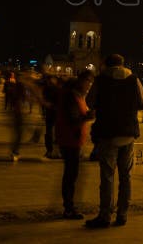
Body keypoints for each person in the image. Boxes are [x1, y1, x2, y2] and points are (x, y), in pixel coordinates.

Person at [85, 54, 143, 229]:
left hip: (107, 134)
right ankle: (122, 214)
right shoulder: (133, 79)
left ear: (106, 65)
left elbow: (89, 102)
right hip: (128, 134)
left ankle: (105, 215)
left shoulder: (100, 80)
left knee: (107, 176)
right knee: (126, 176)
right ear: (122, 64)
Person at [55, 71, 95, 219]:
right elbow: (73, 119)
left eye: (91, 83)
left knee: (72, 175)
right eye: (88, 82)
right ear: (80, 82)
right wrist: (88, 116)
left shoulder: (77, 96)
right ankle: (69, 208)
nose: (89, 86)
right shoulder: (72, 97)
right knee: (71, 175)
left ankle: (70, 205)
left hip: (73, 140)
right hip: (69, 140)